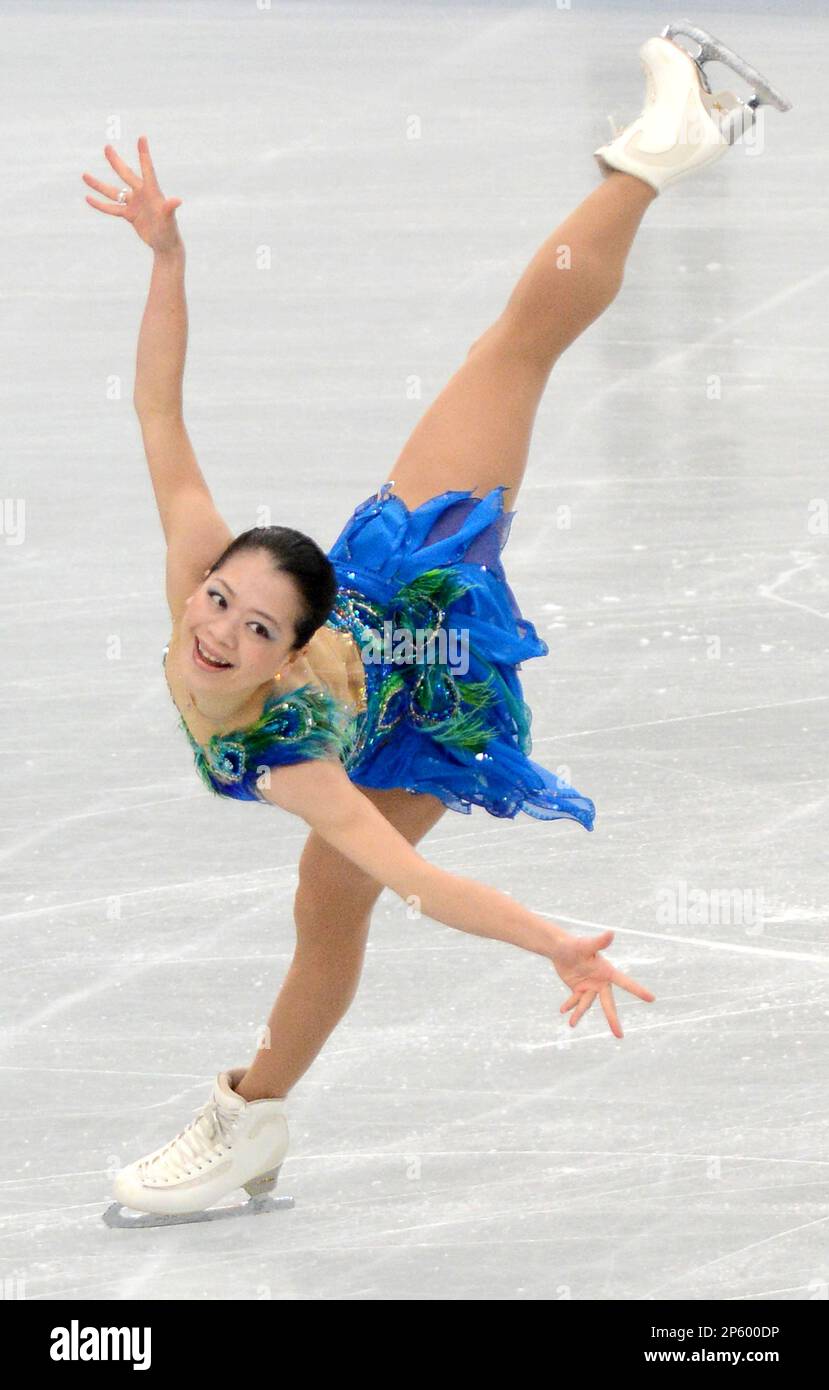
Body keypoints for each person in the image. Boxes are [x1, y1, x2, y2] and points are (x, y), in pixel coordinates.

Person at [83, 27, 788, 1222]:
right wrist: (167, 254)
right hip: (370, 593)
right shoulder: (201, 581)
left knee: (333, 896)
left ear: (286, 651)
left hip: (430, 674)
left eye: (251, 629)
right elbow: (158, 406)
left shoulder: (291, 757)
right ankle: (256, 1120)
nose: (215, 632)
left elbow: (416, 880)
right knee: (508, 353)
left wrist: (551, 941)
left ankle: (657, 150)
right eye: (218, 602)